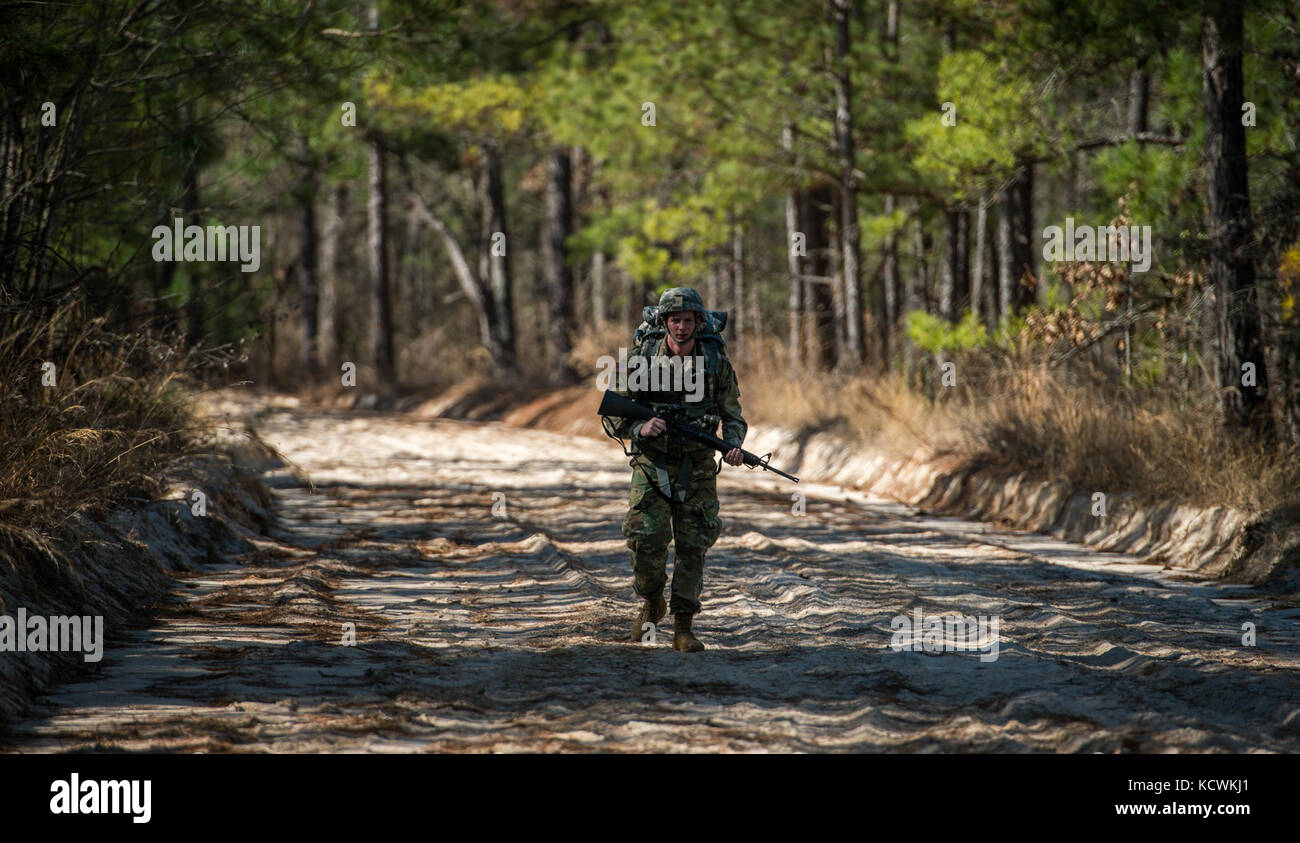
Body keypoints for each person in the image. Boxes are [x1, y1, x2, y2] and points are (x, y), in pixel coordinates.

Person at [602, 287, 747, 652]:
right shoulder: (640, 360)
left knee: (693, 546)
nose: (681, 327)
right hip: (652, 465)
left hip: (697, 468)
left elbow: (733, 415)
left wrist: (733, 445)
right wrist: (640, 428)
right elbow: (612, 412)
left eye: (688, 320)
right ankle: (652, 601)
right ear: (664, 322)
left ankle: (684, 626)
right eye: (674, 320)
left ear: (699, 322)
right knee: (646, 541)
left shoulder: (715, 365)